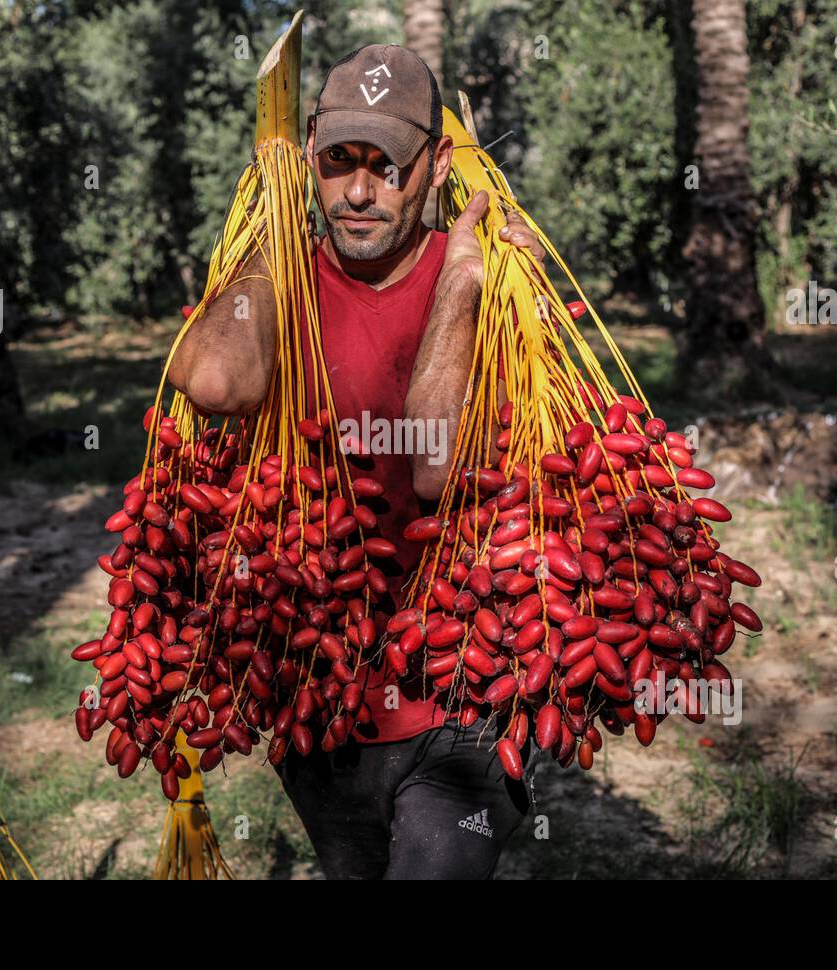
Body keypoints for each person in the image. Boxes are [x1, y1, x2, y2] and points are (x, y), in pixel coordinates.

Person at [167, 43, 547, 880]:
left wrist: (461, 282)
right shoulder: (277, 285)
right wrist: (272, 233)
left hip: (464, 694)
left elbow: (437, 467)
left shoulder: (492, 282)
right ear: (308, 153)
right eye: (340, 161)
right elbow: (216, 382)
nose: (361, 192)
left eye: (388, 165)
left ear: (437, 165)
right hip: (324, 695)